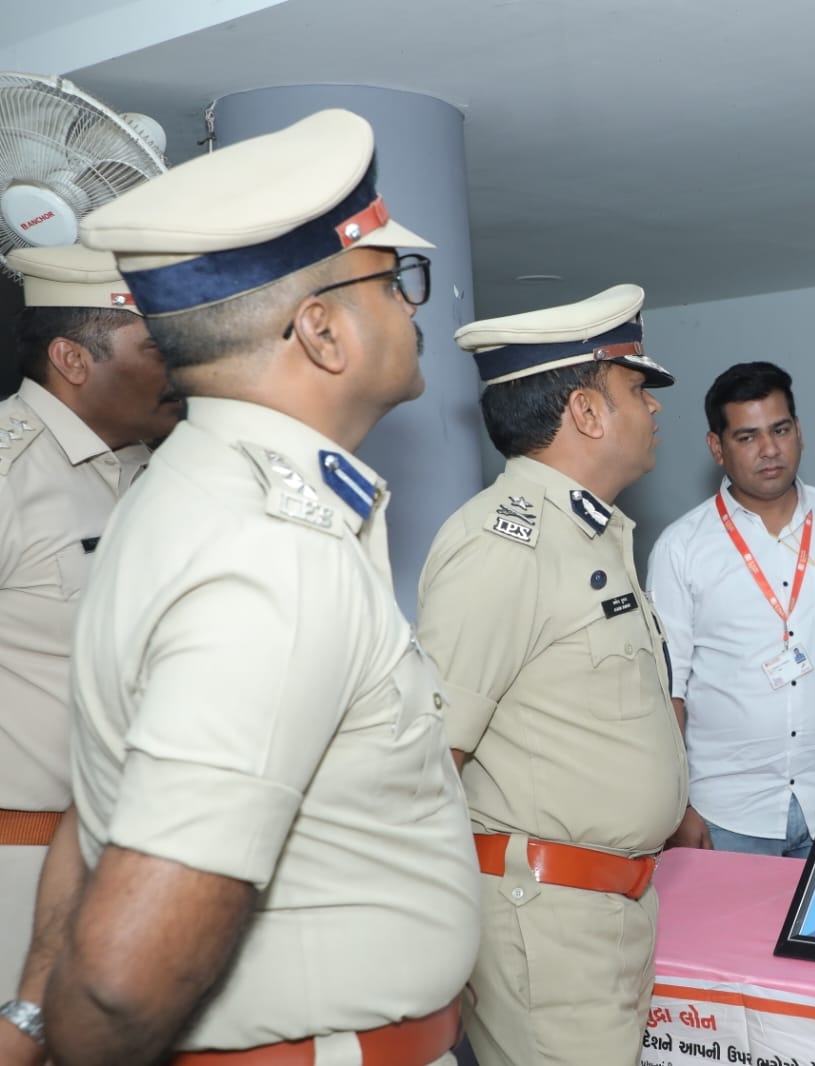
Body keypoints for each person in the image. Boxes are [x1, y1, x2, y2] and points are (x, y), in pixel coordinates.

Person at [2, 109, 481, 1066]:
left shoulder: (180, 493)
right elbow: (119, 979)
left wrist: (25, 1020)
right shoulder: (271, 549)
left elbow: (92, 822)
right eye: (393, 281)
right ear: (322, 330)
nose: (414, 305)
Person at [417, 284, 687, 1066]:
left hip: (605, 908)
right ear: (586, 412)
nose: (655, 407)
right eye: (637, 387)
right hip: (547, 918)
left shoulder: (591, 535)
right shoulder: (507, 545)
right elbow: (429, 758)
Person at [0, 244, 180, 1006]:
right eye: (158, 349)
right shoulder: (11, 471)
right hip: (20, 863)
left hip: (142, 858)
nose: (183, 368)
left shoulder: (168, 478)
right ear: (73, 357)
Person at [646, 361, 815, 858]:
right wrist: (676, 804)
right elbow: (669, 688)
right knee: (727, 939)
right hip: (724, 810)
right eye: (747, 437)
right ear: (717, 448)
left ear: (799, 432)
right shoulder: (681, 547)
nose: (770, 449)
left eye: (781, 430)